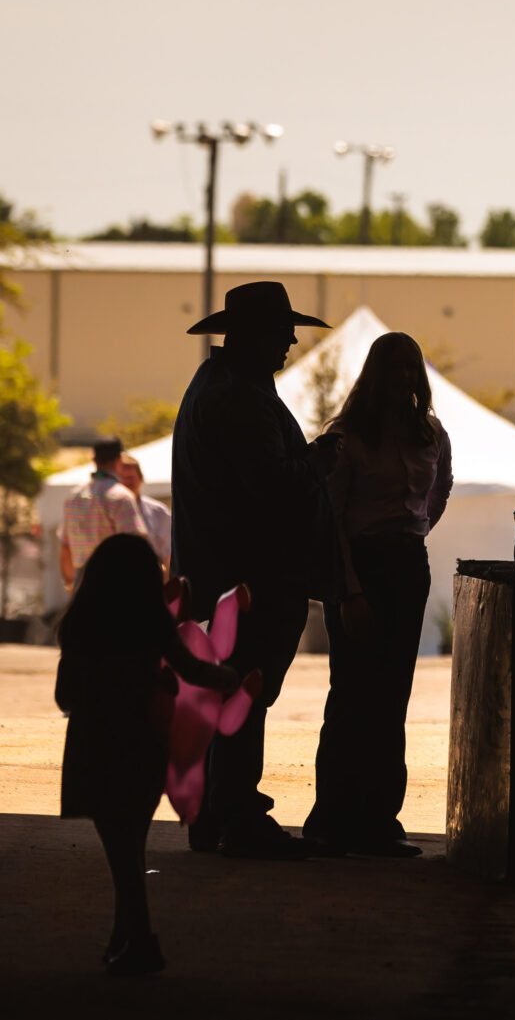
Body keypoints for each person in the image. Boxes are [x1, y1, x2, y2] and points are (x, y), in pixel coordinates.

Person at [172, 281, 331, 859]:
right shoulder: (240, 398)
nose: (291, 340)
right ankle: (238, 814)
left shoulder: (214, 387)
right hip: (249, 578)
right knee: (245, 690)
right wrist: (322, 456)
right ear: (254, 336)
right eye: (282, 331)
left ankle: (218, 812)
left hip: (219, 575)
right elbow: (274, 487)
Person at [56, 533, 239, 975]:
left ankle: (138, 941)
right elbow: (194, 670)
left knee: (121, 856)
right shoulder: (151, 622)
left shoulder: (80, 626)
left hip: (96, 748)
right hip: (142, 747)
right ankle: (127, 937)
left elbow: (65, 696)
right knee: (131, 850)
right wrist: (231, 678)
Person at [304, 333, 452, 858]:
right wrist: (349, 589)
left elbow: (440, 491)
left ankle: (379, 818)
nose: (404, 379)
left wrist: (412, 531)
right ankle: (331, 818)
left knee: (392, 696)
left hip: (408, 564)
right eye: (394, 369)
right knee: (350, 694)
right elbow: (334, 519)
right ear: (375, 375)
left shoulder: (430, 433)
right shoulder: (346, 437)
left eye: (411, 368)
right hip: (362, 565)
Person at [59, 438, 146, 591]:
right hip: (115, 584)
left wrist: (71, 586)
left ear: (94, 460)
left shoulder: (73, 497)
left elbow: (65, 548)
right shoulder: (121, 497)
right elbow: (135, 547)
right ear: (120, 459)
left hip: (82, 585)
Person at [118, 454, 172, 570]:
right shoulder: (106, 512)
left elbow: (169, 553)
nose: (128, 482)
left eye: (131, 478)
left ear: (141, 478)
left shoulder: (158, 511)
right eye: (123, 478)